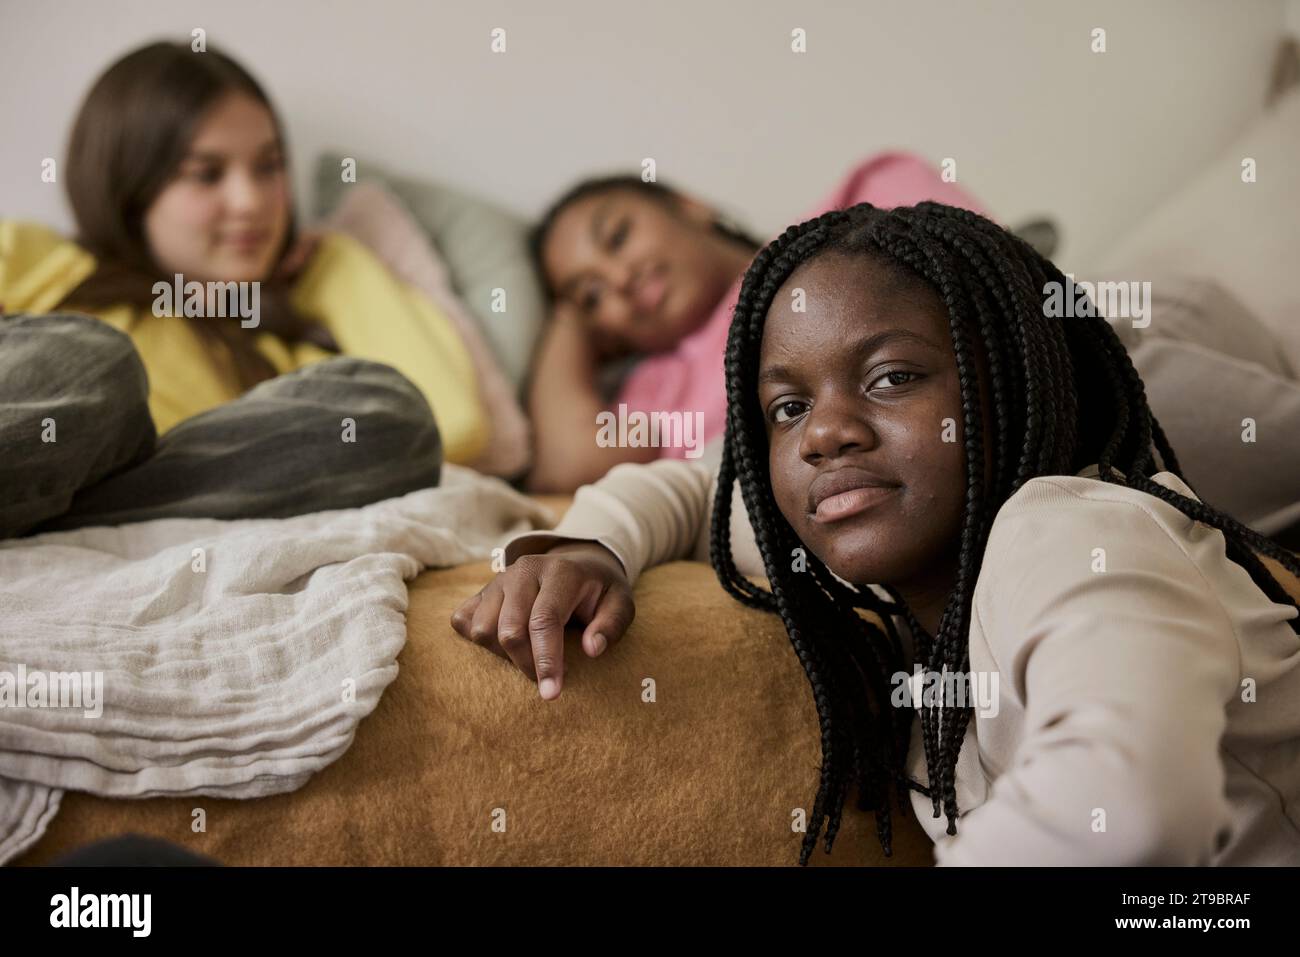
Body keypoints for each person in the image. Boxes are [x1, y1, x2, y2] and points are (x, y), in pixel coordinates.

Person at [453, 202, 1300, 866]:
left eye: (893, 377)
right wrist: (585, 547)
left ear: (1002, 383)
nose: (824, 434)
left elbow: (1131, 810)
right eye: (788, 408)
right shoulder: (861, 520)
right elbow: (695, 485)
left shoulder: (1075, 536)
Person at [0, 41, 491, 536]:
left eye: (269, 166)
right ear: (131, 190)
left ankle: (75, 517)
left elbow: (450, 427)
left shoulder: (280, 353)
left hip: (134, 509)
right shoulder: (43, 261)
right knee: (97, 362)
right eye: (206, 174)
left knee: (389, 414)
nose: (251, 201)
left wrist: (336, 265)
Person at [525, 154, 984, 491]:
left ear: (688, 206)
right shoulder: (657, 391)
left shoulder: (862, 200)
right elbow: (571, 461)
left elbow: (980, 286)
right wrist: (567, 319)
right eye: (592, 294)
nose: (620, 279)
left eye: (618, 236)